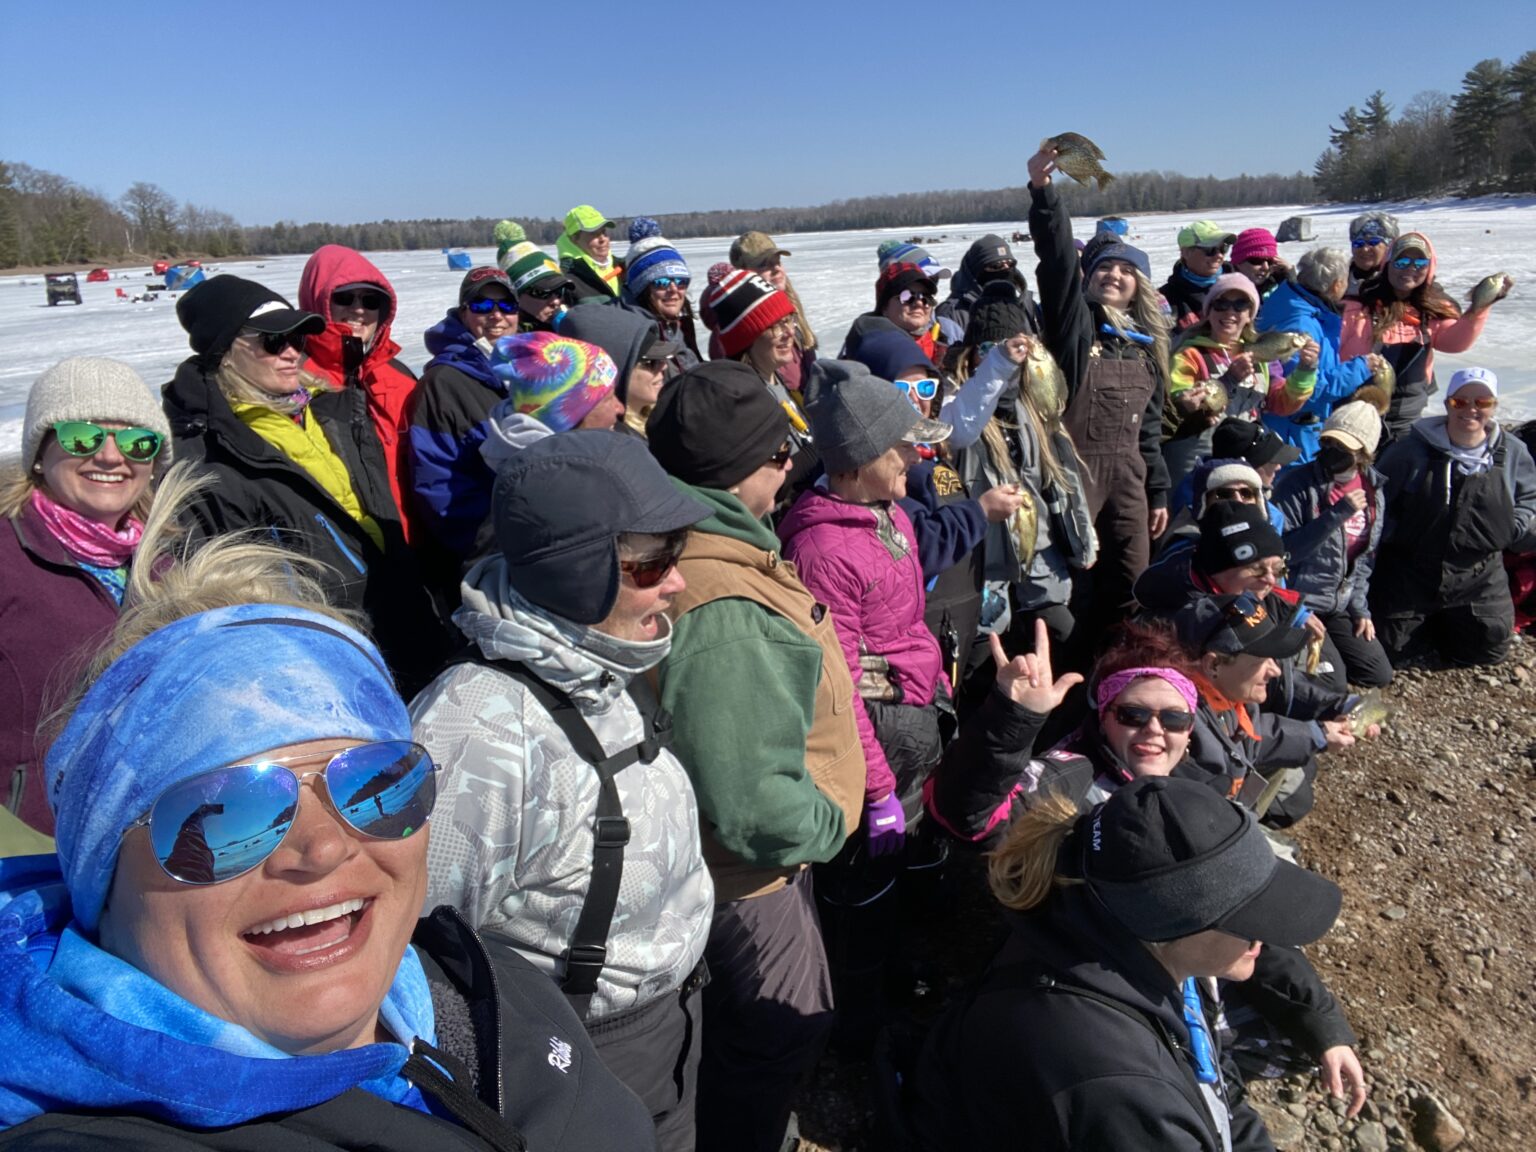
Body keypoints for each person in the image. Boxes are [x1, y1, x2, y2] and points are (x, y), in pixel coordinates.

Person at [0, 527, 657, 1149]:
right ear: (102, 876)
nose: (323, 848)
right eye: (228, 812)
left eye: (373, 783)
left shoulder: (484, 982)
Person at [412, 432, 714, 1150]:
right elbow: (415, 944)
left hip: (667, 1028)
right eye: (652, 563)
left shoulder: (594, 662)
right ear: (577, 571)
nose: (676, 583)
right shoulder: (479, 730)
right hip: (579, 1058)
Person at [648, 362, 865, 1152]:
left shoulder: (723, 550)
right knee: (779, 1030)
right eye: (781, 455)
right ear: (743, 466)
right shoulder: (724, 601)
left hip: (756, 865)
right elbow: (747, 800)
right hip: (751, 876)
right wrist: (825, 823)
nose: (791, 469)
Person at [910, 774, 1344, 1152]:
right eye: (1248, 920)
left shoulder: (1102, 931)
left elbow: (1212, 1074)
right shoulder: (1121, 1089)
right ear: (1169, 925)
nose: (1266, 939)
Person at [164, 275, 446, 695]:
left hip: (402, 620)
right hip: (327, 657)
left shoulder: (330, 410)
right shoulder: (210, 453)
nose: (293, 352)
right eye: (273, 341)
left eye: (297, 337)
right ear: (224, 350)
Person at [1, 357, 171, 838]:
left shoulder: (166, 563)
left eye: (138, 442)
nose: (112, 458)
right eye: (83, 437)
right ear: (39, 452)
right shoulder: (7, 558)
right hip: (34, 845)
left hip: (151, 834)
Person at [1027, 144, 1170, 618]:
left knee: (1132, 587)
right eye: (1105, 266)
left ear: (1142, 286)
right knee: (1075, 588)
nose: (1113, 275)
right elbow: (1058, 267)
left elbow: (1149, 432)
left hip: (1130, 484)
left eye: (1127, 270)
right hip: (1076, 479)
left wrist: (1158, 493)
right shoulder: (1076, 328)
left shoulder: (1147, 346)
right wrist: (1046, 197)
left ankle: (1125, 678)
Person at [1372, 367, 1536, 666]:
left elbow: (1530, 498)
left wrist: (1513, 528)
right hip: (1413, 570)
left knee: (1487, 650)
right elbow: (1377, 498)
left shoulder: (1512, 451)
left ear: (1494, 407)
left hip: (1480, 572)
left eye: (1482, 403)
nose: (1471, 410)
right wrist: (1393, 535)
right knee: (1392, 650)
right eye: (1461, 402)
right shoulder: (1410, 450)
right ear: (1448, 404)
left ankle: (1451, 623)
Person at [1174, 593, 1355, 827]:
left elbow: (1259, 734)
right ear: (1213, 664)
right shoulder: (1179, 731)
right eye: (1261, 661)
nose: (1275, 671)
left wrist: (1318, 734)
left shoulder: (1227, 694)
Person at [297, 245, 421, 538]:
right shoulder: (294, 383)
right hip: (349, 558)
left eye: (370, 300)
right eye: (344, 298)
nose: (359, 309)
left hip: (413, 550)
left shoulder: (399, 377)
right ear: (317, 301)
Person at [1271, 400, 1394, 687]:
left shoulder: (1373, 492)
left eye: (1343, 449)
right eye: (1327, 443)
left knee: (1377, 674)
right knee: (1332, 684)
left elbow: (1364, 560)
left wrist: (1360, 609)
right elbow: (1283, 554)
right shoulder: (1296, 485)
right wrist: (1335, 517)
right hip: (1299, 601)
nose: (1331, 453)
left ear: (1364, 453)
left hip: (1338, 603)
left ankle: (1318, 660)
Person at [1339, 231, 1504, 440]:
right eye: (1402, 261)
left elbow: (1455, 342)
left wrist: (1480, 308)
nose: (1410, 268)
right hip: (1353, 416)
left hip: (1405, 420)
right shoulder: (1357, 308)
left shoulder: (1431, 311)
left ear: (1429, 268)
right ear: (1387, 264)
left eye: (1419, 263)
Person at [409, 267, 523, 560]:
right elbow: (439, 487)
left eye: (506, 305)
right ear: (463, 315)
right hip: (495, 555)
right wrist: (499, 546)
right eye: (482, 305)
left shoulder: (527, 372)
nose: (496, 315)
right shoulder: (442, 383)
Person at [1163, 274, 1317, 491]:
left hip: (1244, 460)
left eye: (1240, 305)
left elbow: (1282, 404)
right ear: (1208, 311)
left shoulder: (1260, 355)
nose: (1230, 312)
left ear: (1250, 315)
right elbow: (1180, 406)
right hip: (1197, 461)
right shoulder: (1189, 355)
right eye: (1221, 304)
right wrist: (1228, 381)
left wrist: (1305, 370)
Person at [700, 268, 818, 499]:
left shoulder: (774, 379)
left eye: (789, 320)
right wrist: (819, 450)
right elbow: (766, 486)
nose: (788, 333)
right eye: (775, 325)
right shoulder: (744, 400)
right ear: (747, 337)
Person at [1255, 247, 1382, 462]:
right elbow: (1307, 389)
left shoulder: (1293, 301)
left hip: (1293, 427)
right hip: (1292, 433)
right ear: (1337, 285)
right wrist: (1360, 368)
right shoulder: (1301, 323)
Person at [557, 306, 678, 438]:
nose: (664, 366)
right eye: (651, 362)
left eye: (662, 358)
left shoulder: (665, 415)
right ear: (616, 370)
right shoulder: (616, 441)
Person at [726, 231, 819, 391]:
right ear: (743, 273)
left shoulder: (790, 302)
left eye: (777, 261)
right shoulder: (738, 320)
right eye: (764, 264)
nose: (776, 269)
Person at [621, 218, 701, 369]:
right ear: (641, 288)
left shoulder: (678, 324)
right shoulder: (636, 334)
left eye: (681, 281)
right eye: (661, 282)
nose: (674, 290)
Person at [932, 234, 1038, 347]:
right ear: (977, 271)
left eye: (1010, 264)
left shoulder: (1026, 304)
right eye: (996, 266)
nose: (1006, 269)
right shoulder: (954, 311)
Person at [1162, 220, 1237, 329]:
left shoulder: (1239, 287)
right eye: (1210, 250)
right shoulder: (1167, 299)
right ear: (1186, 252)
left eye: (1223, 248)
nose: (1219, 255)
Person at [501, 242, 577, 333]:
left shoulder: (576, 324)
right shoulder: (509, 340)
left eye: (559, 291)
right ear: (517, 297)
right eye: (543, 293)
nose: (556, 301)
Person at [558, 205, 623, 303]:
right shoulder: (567, 281)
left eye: (604, 232)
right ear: (574, 239)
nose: (602, 239)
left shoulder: (623, 267)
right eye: (593, 233)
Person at [1345, 211, 1398, 297]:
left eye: (1373, 242)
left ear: (1389, 246)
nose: (1365, 249)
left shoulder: (1398, 281)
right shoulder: (1339, 280)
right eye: (1358, 243)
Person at [1230, 228, 1288, 300]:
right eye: (1257, 261)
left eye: (1270, 261)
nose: (1265, 267)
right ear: (1238, 262)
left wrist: (1290, 278)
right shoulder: (1222, 292)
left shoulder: (1280, 287)